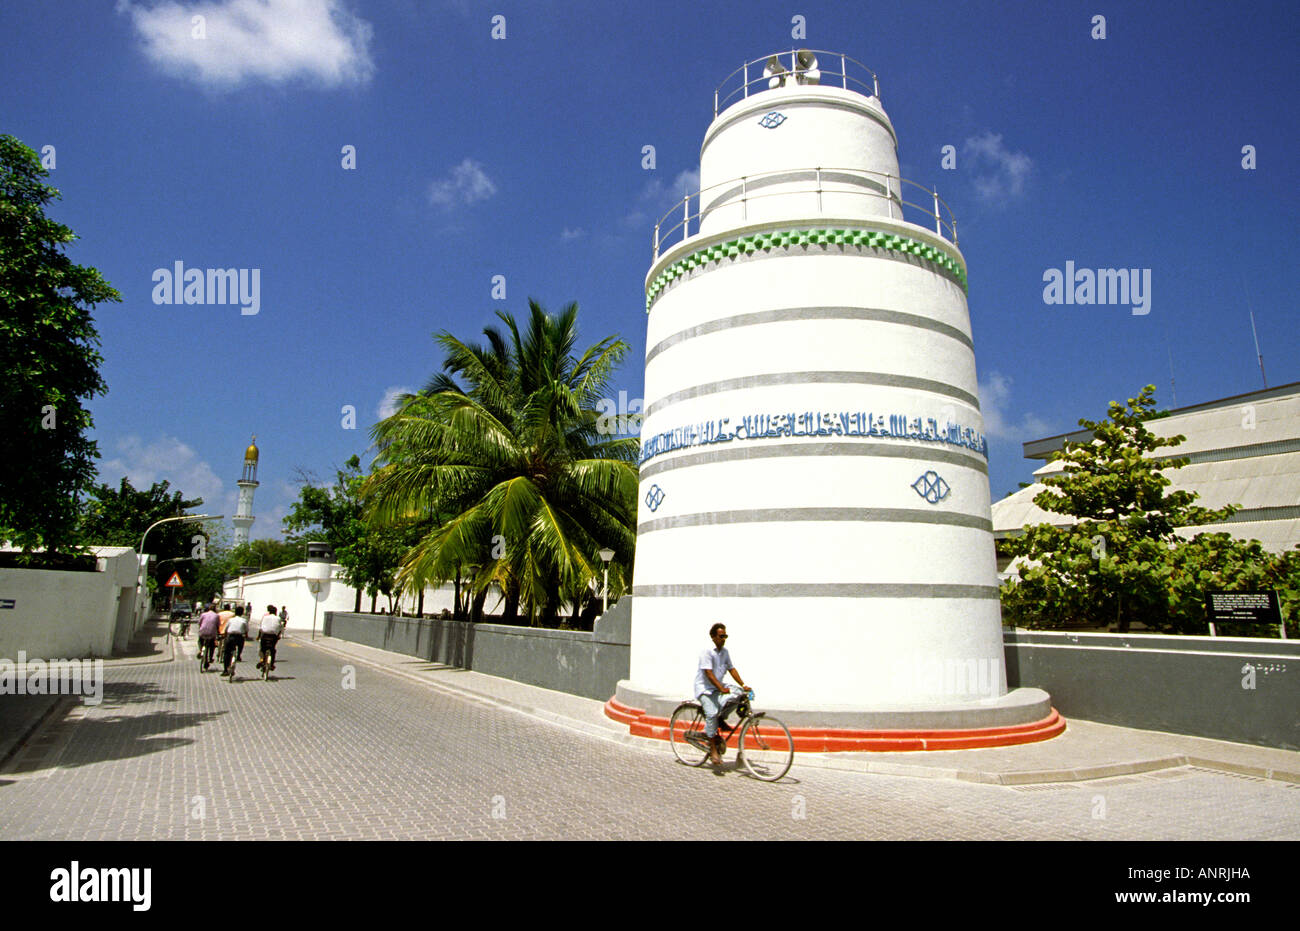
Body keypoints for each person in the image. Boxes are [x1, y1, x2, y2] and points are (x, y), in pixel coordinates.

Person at [695, 623, 750, 765]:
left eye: (725, 636)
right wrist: (721, 688)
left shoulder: (725, 652)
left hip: (718, 687)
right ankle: (713, 748)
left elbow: (731, 669)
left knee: (738, 695)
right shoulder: (707, 652)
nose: (724, 638)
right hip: (705, 689)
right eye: (721, 636)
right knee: (712, 714)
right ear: (713, 637)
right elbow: (709, 673)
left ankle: (721, 718)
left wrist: (743, 685)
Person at [257, 603, 283, 672]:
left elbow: (261, 628)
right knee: (273, 650)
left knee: (262, 649)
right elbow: (280, 628)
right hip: (273, 637)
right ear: (275, 612)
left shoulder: (265, 617)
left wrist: (259, 636)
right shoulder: (278, 618)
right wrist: (278, 636)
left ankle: (262, 660)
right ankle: (271, 664)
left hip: (265, 635)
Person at [223, 607, 248, 676]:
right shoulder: (244, 620)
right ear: (242, 613)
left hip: (230, 637)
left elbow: (226, 629)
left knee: (226, 653)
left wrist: (225, 636)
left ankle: (225, 670)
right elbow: (246, 630)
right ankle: (239, 655)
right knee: (241, 645)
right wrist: (246, 635)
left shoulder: (231, 620)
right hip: (239, 637)